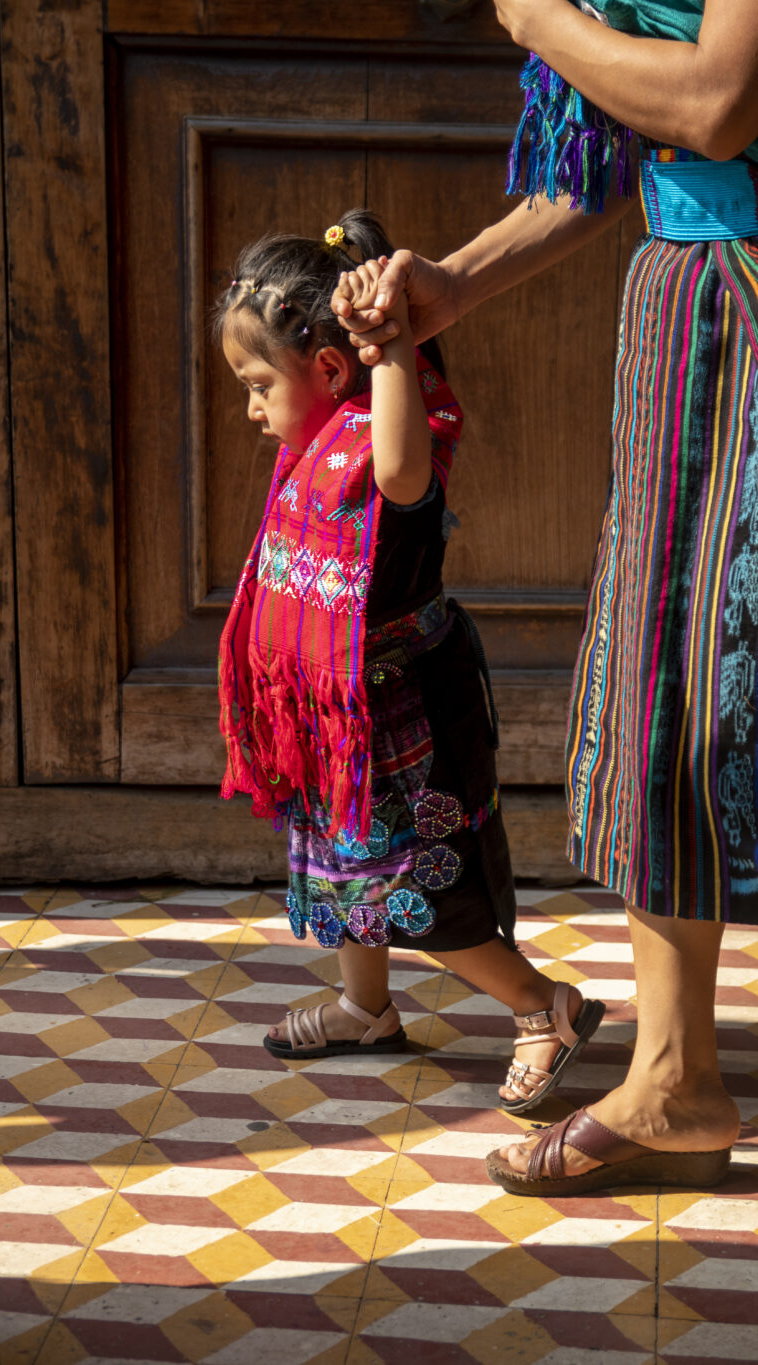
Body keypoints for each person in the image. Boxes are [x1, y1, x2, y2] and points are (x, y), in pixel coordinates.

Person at [331, 0, 758, 1194]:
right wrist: (455, 282)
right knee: (673, 674)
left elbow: (718, 105)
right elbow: (628, 139)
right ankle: (674, 1071)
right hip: (695, 294)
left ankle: (678, 1076)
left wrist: (534, 15)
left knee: (702, 678)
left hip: (742, 307)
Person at [214, 209, 604, 1106]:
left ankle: (547, 1008)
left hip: (402, 716)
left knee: (422, 885)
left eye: (257, 384)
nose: (251, 409)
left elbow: (396, 470)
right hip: (347, 712)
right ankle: (367, 1006)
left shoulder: (391, 444)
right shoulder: (321, 438)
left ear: (327, 368)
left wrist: (387, 342)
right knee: (355, 870)